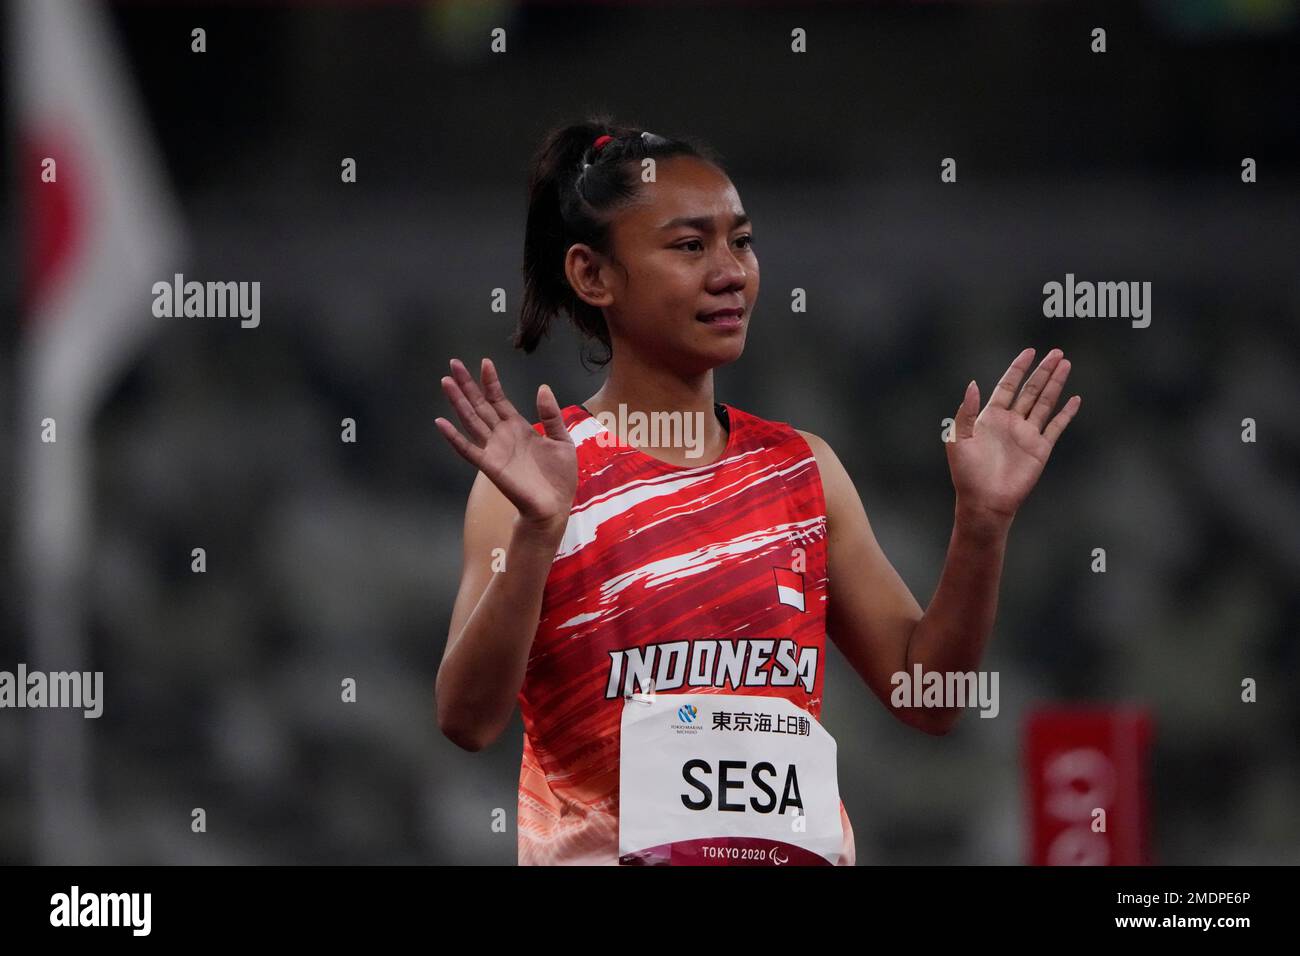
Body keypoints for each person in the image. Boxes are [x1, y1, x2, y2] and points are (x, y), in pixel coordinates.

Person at [434, 120, 1080, 865]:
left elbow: (927, 700)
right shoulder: (537, 484)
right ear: (592, 275)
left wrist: (982, 523)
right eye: (689, 246)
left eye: (740, 241)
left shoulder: (803, 468)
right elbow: (466, 720)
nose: (729, 270)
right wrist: (540, 531)